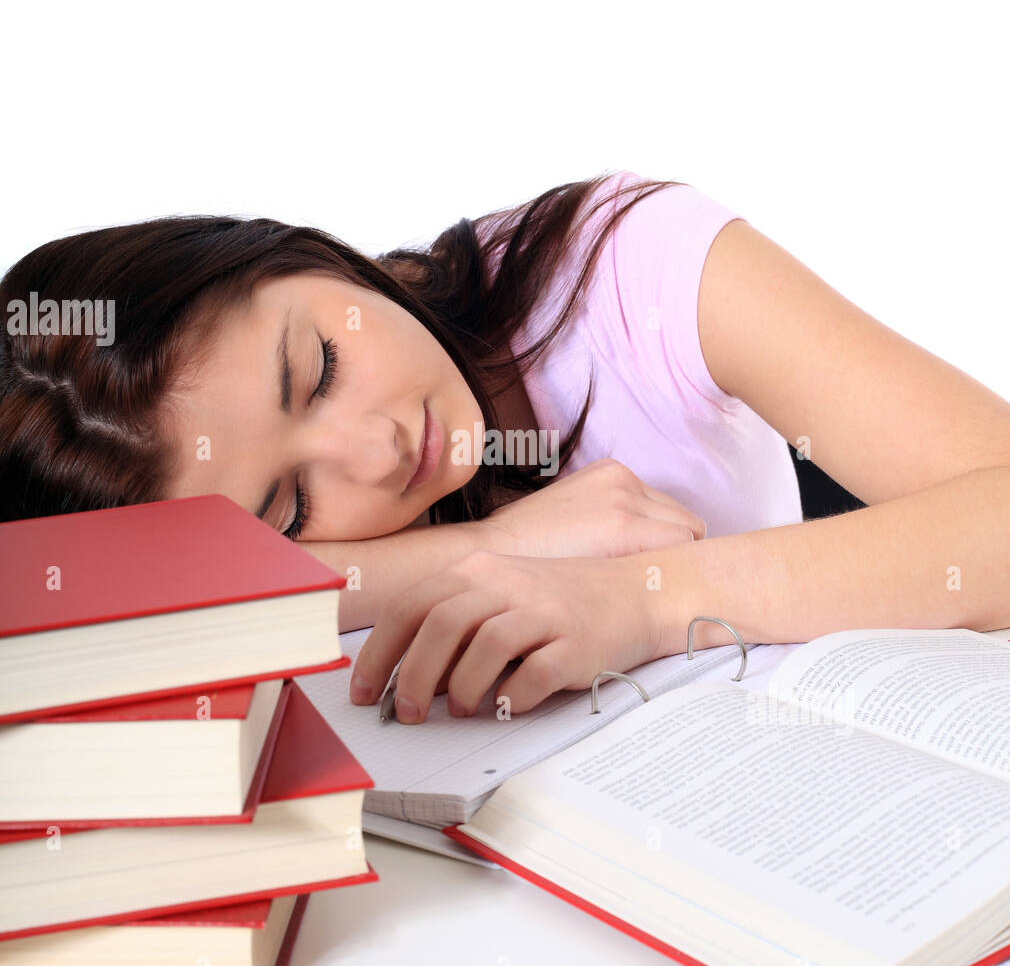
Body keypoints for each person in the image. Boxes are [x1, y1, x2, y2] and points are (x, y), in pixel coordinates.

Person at [4, 170, 1010, 724]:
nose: (376, 445)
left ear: (289, 251)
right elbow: (67, 590)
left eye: (318, 366)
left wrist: (636, 597)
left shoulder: (625, 269)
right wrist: (466, 556)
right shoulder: (344, 511)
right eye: (288, 510)